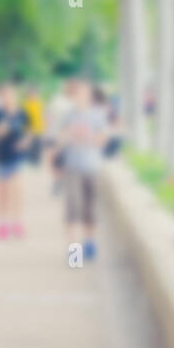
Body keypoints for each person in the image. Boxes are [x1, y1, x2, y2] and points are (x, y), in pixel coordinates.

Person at [57, 78, 109, 262]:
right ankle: (74, 254)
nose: (81, 96)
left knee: (90, 209)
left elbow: (102, 140)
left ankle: (89, 242)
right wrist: (69, 135)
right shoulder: (68, 115)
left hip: (92, 167)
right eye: (78, 93)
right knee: (72, 210)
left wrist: (88, 136)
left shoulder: (98, 115)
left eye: (84, 93)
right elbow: (60, 139)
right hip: (72, 168)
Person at [0, 81, 32, 239]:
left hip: (17, 157)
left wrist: (25, 142)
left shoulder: (22, 114)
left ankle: (17, 223)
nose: (7, 98)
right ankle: (2, 223)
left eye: (10, 95)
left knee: (17, 190)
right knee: (2, 192)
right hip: (1, 157)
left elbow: (30, 133)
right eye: (4, 96)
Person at [22, 85, 45, 166]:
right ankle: (28, 163)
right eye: (31, 93)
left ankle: (36, 163)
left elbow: (42, 116)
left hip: (38, 130)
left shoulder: (39, 103)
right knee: (29, 148)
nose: (33, 95)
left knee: (37, 148)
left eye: (34, 93)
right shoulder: (25, 104)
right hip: (28, 131)